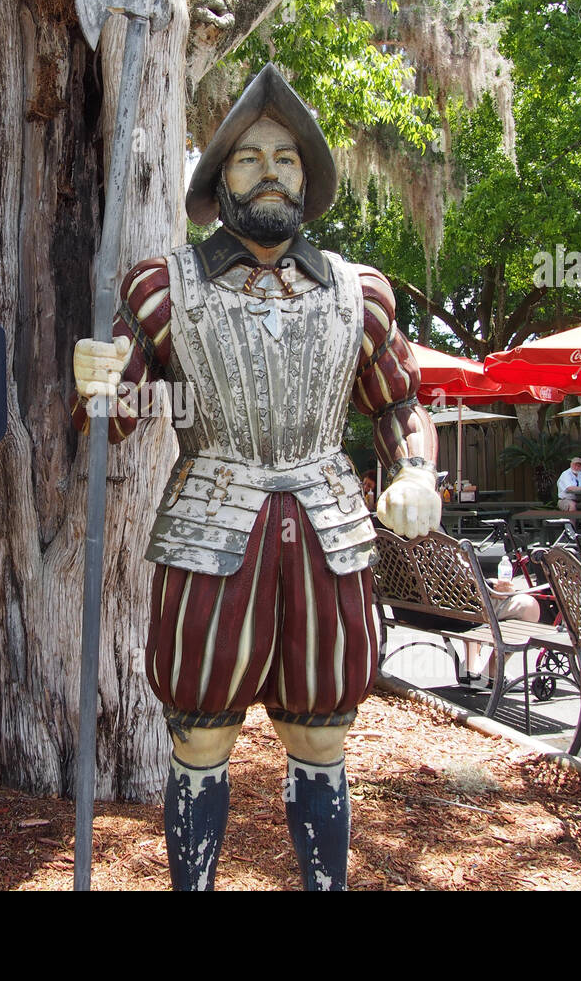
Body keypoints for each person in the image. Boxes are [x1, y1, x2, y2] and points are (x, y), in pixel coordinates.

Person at [72, 64, 440, 891]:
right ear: (218, 179)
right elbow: (114, 418)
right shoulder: (164, 290)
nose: (269, 170)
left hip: (330, 535)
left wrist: (415, 469)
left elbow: (400, 404)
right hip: (211, 530)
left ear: (307, 178)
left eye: (285, 156)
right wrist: (96, 382)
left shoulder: (362, 293)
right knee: (201, 735)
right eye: (247, 157)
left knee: (321, 735)